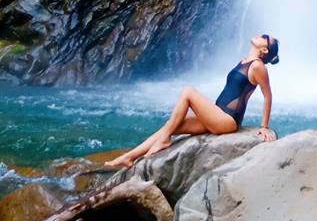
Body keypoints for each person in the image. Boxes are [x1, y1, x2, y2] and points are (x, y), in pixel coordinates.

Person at [104, 34, 280, 169]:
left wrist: (263, 127)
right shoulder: (244, 61)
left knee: (188, 92)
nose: (260, 35)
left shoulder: (258, 66)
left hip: (227, 120)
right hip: (218, 113)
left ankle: (164, 140)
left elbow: (268, 96)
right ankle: (129, 157)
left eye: (265, 37)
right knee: (172, 124)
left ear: (264, 50)